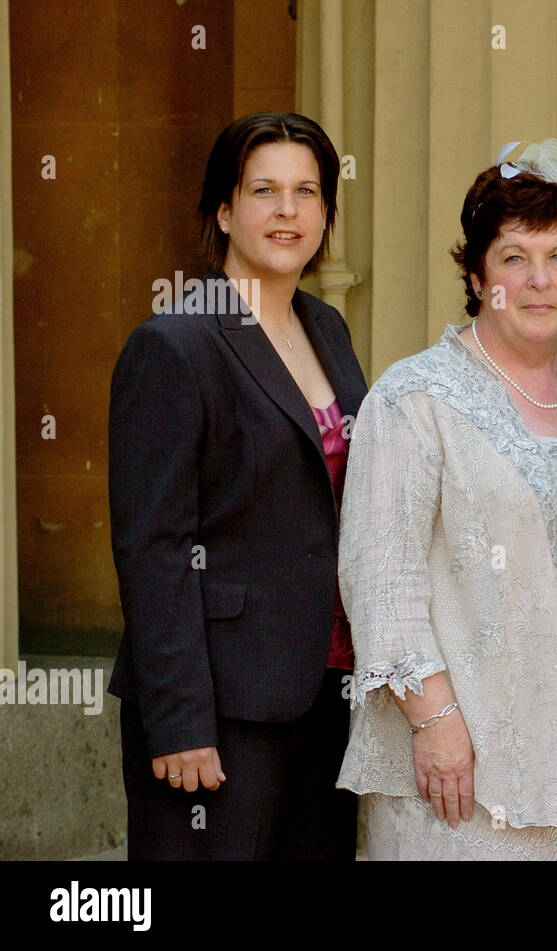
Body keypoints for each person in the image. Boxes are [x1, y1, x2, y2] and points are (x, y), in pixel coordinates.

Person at [336, 139, 557, 860]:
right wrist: (435, 720)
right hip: (467, 752)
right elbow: (381, 580)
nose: (538, 280)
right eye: (514, 257)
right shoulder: (415, 397)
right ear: (477, 276)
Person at [108, 113, 367, 859]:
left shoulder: (328, 330)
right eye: (264, 190)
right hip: (220, 710)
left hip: (325, 692)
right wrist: (180, 719)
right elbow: (153, 546)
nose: (288, 211)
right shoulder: (175, 343)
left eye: (307, 191)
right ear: (224, 211)